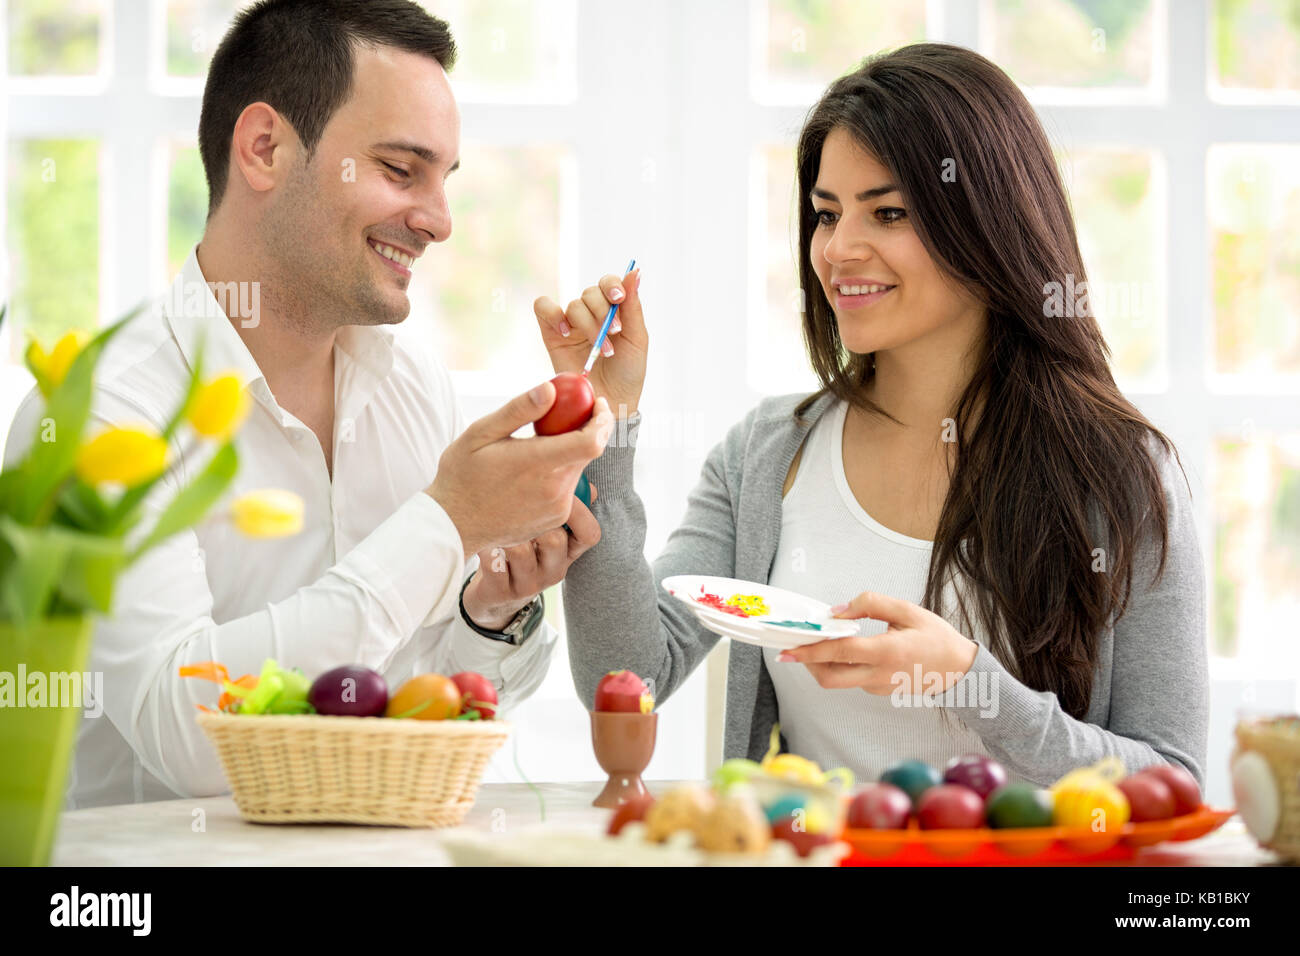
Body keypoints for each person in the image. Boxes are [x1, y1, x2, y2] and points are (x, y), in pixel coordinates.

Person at [546, 43, 1208, 788]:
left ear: (988, 225)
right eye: (826, 215)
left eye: (888, 212)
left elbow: (1173, 781)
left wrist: (966, 678)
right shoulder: (768, 455)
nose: (838, 250)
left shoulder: (1117, 475)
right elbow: (626, 672)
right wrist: (606, 421)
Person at [2, 0, 612, 807]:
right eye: (401, 171)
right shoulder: (104, 413)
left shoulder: (411, 386)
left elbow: (389, 702)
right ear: (265, 150)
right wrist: (448, 523)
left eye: (443, 180)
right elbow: (194, 735)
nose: (439, 221)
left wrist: (486, 610)